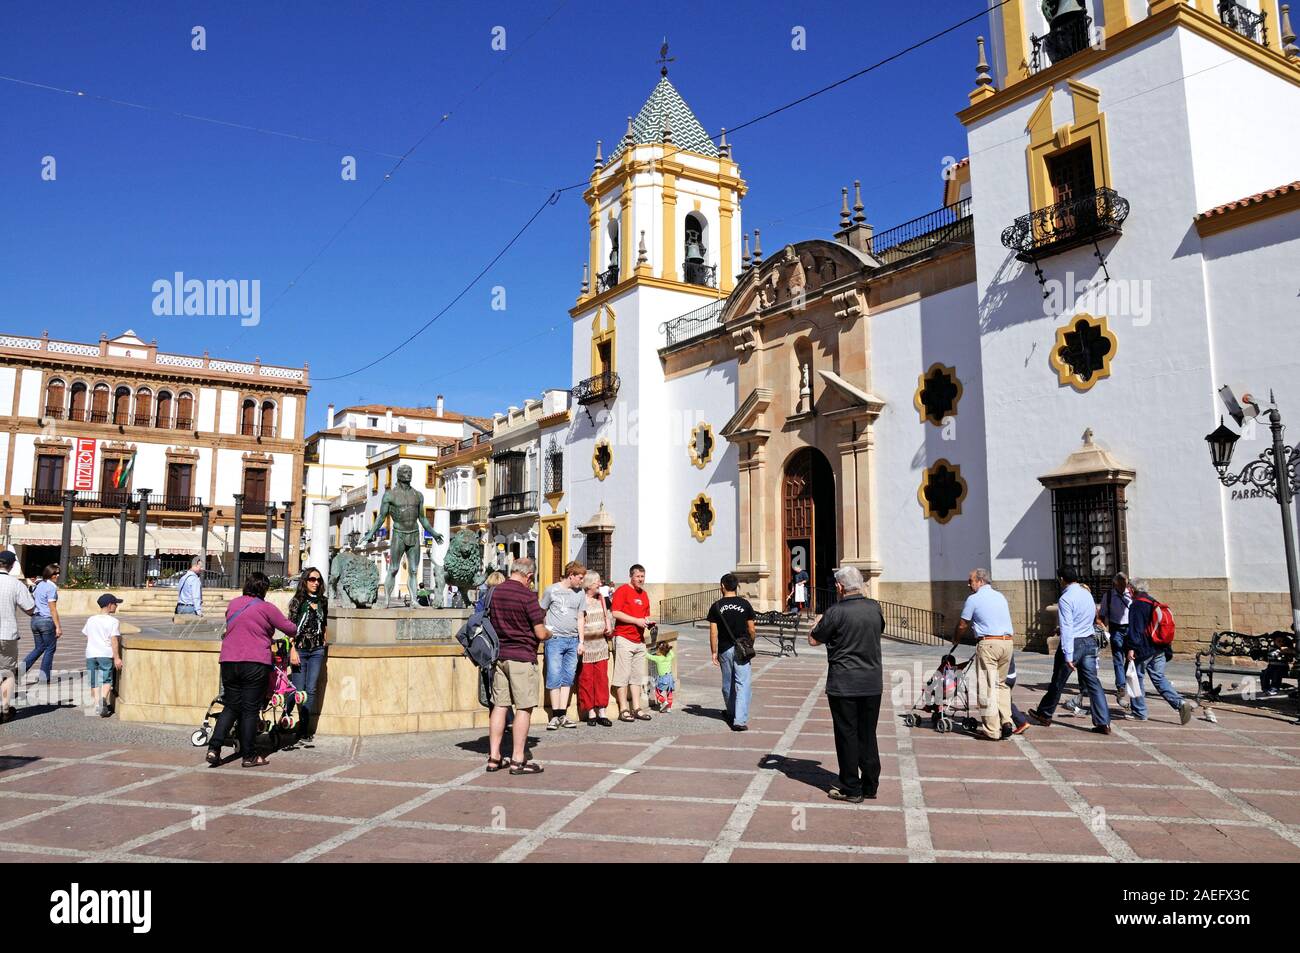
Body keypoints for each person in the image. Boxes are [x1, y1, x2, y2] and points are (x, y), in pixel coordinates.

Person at [809, 566, 885, 803]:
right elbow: (878, 630)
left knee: (847, 735)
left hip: (844, 683)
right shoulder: (875, 608)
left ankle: (851, 787)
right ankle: (871, 784)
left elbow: (813, 639)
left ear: (840, 587)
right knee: (868, 733)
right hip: (872, 682)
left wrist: (817, 622)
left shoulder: (835, 612)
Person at [206, 572, 297, 768]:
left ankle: (214, 748)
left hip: (229, 662)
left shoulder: (233, 605)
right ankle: (249, 756)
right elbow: (290, 628)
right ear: (264, 589)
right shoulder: (266, 608)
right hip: (254, 663)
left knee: (230, 706)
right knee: (249, 710)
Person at [486, 557, 549, 775]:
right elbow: (540, 632)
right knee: (524, 707)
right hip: (522, 657)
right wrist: (550, 633)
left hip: (499, 656)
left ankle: (494, 757)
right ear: (529, 576)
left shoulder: (494, 592)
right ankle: (518, 759)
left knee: (500, 706)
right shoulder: (527, 596)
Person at [1029, 567, 1111, 733]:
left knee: (1058, 680)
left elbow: (1067, 627)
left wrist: (1067, 654)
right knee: (1094, 683)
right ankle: (1103, 722)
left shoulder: (1066, 598)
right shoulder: (1086, 593)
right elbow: (1092, 617)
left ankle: (1045, 713)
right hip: (1089, 641)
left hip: (1074, 642)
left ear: (1061, 579)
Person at [951, 567, 1015, 741]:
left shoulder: (974, 599)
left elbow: (963, 624)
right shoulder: (1000, 596)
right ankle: (1007, 721)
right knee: (1001, 684)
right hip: (1007, 642)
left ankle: (992, 730)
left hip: (989, 643)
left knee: (987, 687)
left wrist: (956, 639)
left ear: (980, 581)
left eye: (971, 580)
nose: (968, 584)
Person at [1125, 579, 1195, 724]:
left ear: (1132, 589)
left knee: (1136, 679)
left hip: (1143, 649)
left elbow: (1135, 630)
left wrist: (1131, 648)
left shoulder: (1137, 605)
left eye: (1129, 589)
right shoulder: (1153, 602)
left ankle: (1139, 712)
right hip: (1159, 647)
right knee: (1159, 678)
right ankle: (1180, 703)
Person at [541, 561, 587, 730]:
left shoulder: (580, 593)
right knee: (554, 675)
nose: (581, 582)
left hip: (573, 639)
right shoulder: (551, 590)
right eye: (580, 578)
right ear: (571, 575)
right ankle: (554, 715)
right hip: (555, 639)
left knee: (568, 677)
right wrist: (546, 631)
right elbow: (542, 611)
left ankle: (562, 714)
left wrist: (581, 641)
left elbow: (581, 617)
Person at [707, 573, 756, 730]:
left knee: (728, 684)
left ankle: (731, 711)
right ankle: (739, 720)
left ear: (722, 586)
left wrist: (714, 651)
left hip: (725, 648)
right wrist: (750, 643)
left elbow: (713, 632)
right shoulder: (745, 604)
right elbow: (752, 629)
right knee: (743, 684)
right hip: (742, 648)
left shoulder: (716, 606)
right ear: (737, 586)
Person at [287, 566, 329, 742]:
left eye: (318, 580)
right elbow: (290, 628)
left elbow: (325, 622)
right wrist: (293, 650)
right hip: (301, 651)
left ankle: (304, 729)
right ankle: (286, 718)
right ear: (305, 581)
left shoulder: (323, 601)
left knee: (310, 689)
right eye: (312, 579)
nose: (316, 583)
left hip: (317, 650)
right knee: (298, 689)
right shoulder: (298, 601)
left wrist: (325, 639)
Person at [610, 564, 655, 722]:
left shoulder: (644, 594)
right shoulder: (622, 590)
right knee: (622, 676)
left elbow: (645, 615)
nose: (641, 580)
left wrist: (648, 623)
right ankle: (623, 708)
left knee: (636, 677)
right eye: (638, 576)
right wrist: (635, 620)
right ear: (631, 576)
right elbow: (615, 612)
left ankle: (636, 707)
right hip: (624, 637)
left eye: (642, 577)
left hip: (639, 640)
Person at [0, 551, 35, 723]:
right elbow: (30, 609)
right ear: (12, 565)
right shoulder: (15, 584)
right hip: (7, 634)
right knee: (7, 673)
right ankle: (5, 710)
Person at [577, 571, 614, 727]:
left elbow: (607, 616)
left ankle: (602, 711)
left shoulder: (602, 599)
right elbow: (579, 620)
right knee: (586, 679)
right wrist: (581, 642)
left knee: (601, 679)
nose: (600, 584)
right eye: (598, 581)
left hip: (600, 644)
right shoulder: (582, 600)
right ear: (590, 584)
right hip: (588, 646)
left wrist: (609, 628)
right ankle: (590, 711)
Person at [83, 594, 124, 717]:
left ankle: (97, 705)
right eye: (115, 604)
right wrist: (117, 657)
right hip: (105, 653)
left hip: (91, 653)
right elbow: (114, 640)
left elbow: (87, 634)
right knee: (106, 678)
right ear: (109, 605)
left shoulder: (91, 619)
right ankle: (103, 699)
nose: (116, 606)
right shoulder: (113, 621)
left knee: (94, 679)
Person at [1096, 572, 1132, 706]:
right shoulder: (1109, 595)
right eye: (1120, 585)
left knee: (1130, 657)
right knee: (1118, 657)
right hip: (1116, 628)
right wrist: (1103, 628)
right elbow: (1103, 613)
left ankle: (1125, 679)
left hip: (1130, 628)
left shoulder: (1132, 594)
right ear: (1115, 584)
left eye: (1125, 584)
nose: (1123, 587)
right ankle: (1121, 685)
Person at [23, 564, 61, 684]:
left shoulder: (39, 585)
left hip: (35, 619)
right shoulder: (51, 588)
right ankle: (44, 677)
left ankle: (20, 670)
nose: (57, 575)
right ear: (50, 574)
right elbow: (52, 609)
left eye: (58, 573)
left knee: (39, 647)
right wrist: (58, 626)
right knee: (50, 648)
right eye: (55, 573)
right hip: (46, 620)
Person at [648, 640, 676, 712]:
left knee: (657, 692)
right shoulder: (669, 657)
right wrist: (668, 649)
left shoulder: (658, 658)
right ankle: (669, 708)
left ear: (659, 651)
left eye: (657, 649)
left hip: (663, 678)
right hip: (670, 678)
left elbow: (648, 656)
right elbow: (672, 654)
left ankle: (664, 702)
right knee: (669, 693)